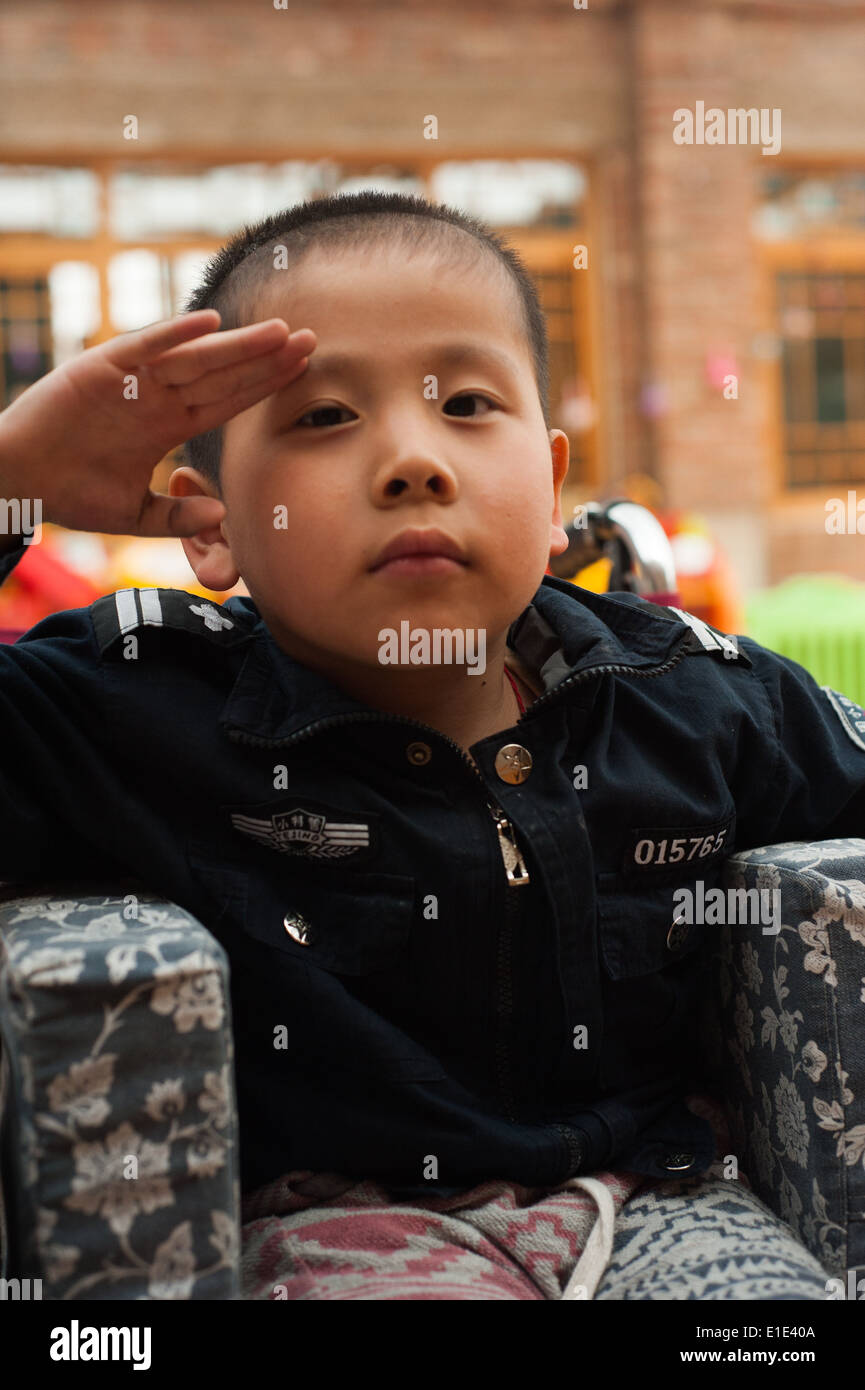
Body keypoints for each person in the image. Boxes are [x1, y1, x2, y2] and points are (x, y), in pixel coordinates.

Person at [0, 192, 858, 1300]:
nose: (413, 459)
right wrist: (9, 477)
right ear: (212, 522)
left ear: (551, 488)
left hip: (657, 1198)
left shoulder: (685, 693)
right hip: (342, 1228)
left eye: (463, 401)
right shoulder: (134, 700)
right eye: (321, 419)